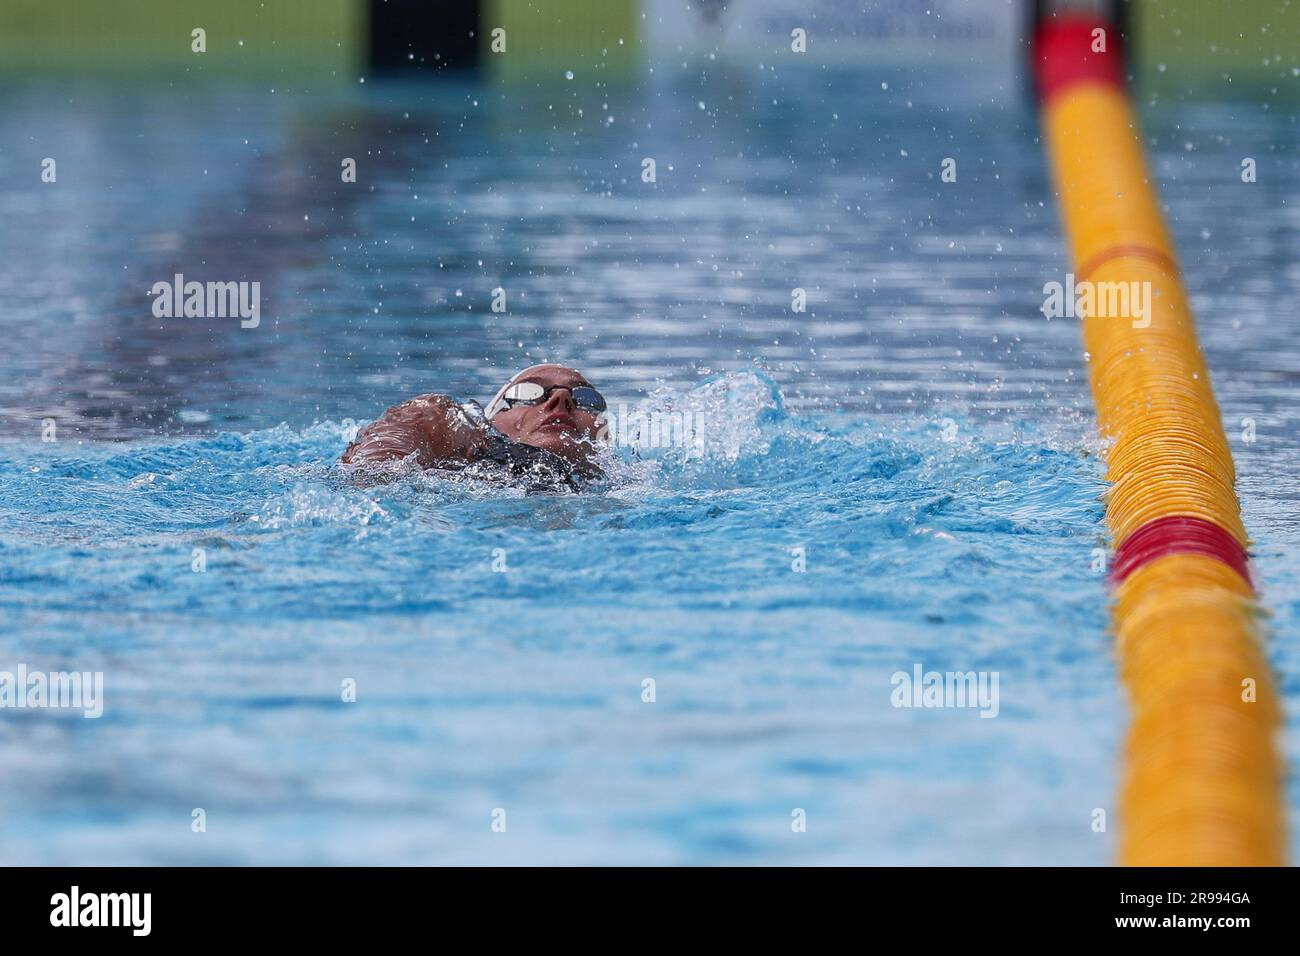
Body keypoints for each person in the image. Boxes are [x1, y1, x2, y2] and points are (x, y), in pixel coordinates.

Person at [341, 364, 607, 489]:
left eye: (585, 398)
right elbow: (370, 483)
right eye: (528, 393)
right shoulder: (449, 450)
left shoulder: (632, 488)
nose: (561, 400)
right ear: (486, 423)